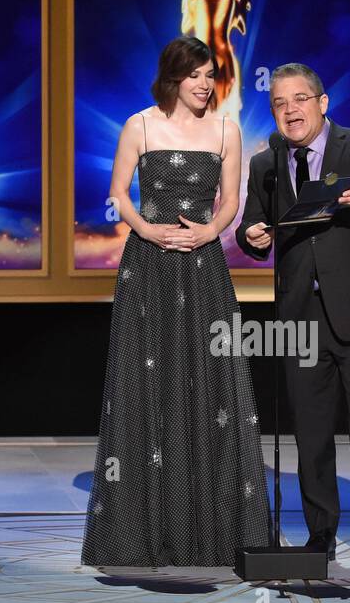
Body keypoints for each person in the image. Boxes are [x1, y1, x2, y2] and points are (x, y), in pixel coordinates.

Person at [82, 35, 269, 567]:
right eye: (195, 76)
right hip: (147, 270)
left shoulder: (227, 130)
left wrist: (210, 232)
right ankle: (143, 531)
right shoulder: (138, 125)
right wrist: (146, 228)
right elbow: (118, 195)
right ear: (172, 78)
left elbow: (231, 200)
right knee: (146, 386)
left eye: (211, 75)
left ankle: (210, 530)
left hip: (205, 269)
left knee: (208, 387)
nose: (205, 84)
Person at [236, 63, 350, 566]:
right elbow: (254, 223)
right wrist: (253, 236)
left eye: (298, 100)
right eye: (278, 103)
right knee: (310, 434)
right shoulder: (266, 163)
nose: (289, 111)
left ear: (322, 102)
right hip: (300, 318)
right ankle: (321, 536)